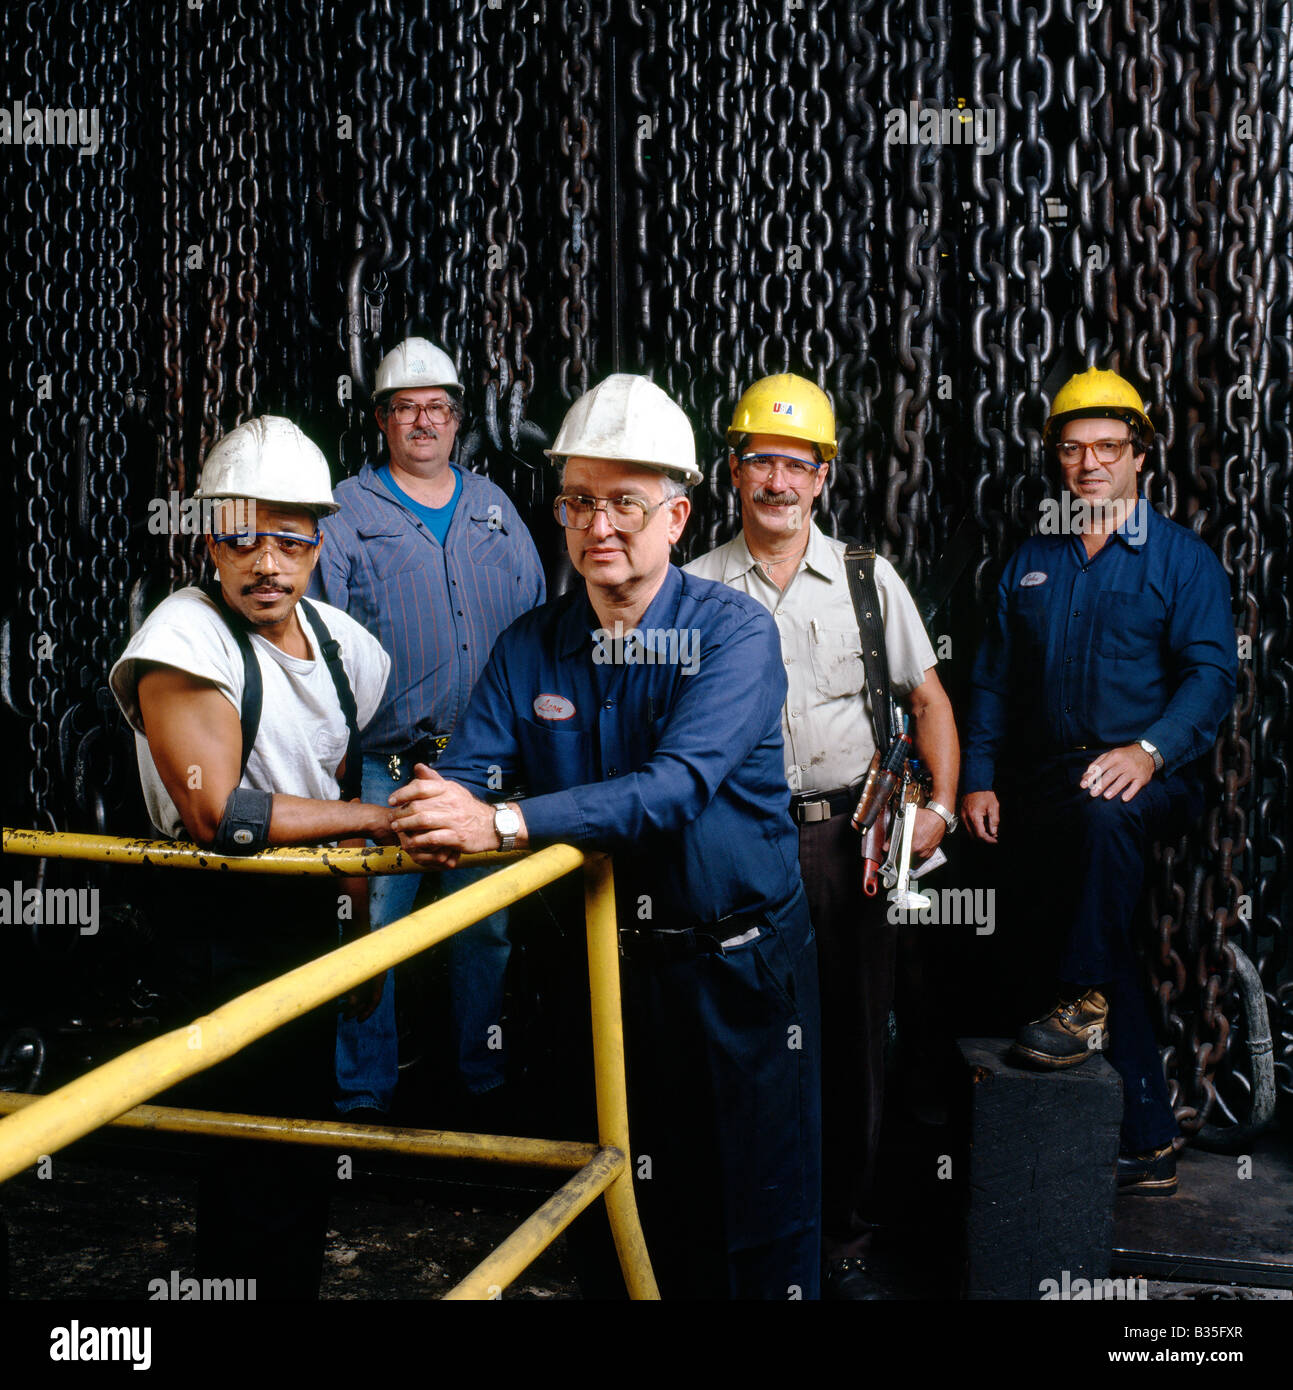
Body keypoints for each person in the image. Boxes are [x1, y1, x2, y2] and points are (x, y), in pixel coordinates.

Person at [386, 373, 822, 1300]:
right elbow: (467, 775)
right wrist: (430, 810)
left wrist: (500, 821)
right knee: (608, 1207)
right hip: (594, 971)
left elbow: (672, 790)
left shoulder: (733, 636)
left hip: (732, 973)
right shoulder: (530, 645)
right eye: (580, 501)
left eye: (626, 501)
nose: (600, 525)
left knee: (749, 1214)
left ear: (677, 516)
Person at [684, 373, 960, 1299]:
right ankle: (760, 1227)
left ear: (822, 476)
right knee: (748, 1039)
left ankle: (840, 1235)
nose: (776, 480)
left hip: (849, 842)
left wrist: (941, 810)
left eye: (794, 463)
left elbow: (929, 703)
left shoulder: (864, 580)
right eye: (759, 459)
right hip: (735, 840)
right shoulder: (688, 590)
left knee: (849, 1043)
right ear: (732, 472)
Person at [109, 416, 394, 1297]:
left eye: (288, 537)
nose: (265, 561)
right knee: (242, 1144)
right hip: (213, 913)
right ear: (210, 542)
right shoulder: (182, 636)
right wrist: (375, 823)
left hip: (306, 909)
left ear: (318, 542)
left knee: (302, 1136)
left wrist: (358, 925)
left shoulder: (353, 650)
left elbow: (334, 783)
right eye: (241, 535)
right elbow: (218, 813)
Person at [960, 367, 1237, 1195]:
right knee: (1025, 882)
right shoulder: (1032, 562)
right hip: (1047, 775)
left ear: (1139, 456)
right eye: (1072, 450)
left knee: (1099, 816)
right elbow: (990, 683)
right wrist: (975, 780)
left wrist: (1148, 750)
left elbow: (1211, 676)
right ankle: (1144, 1142)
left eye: (1107, 449)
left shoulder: (1181, 563)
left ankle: (1080, 1000)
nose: (1088, 465)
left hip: (1152, 774)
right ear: (1057, 461)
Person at [309, 337, 545, 1122]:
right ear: (381, 420)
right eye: (405, 407)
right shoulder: (343, 514)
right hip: (386, 768)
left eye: (436, 408)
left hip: (482, 768)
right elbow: (316, 643)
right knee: (370, 934)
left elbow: (537, 622)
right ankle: (361, 1098)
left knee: (483, 933)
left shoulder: (493, 507)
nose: (422, 421)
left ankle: (479, 1087)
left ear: (456, 421)